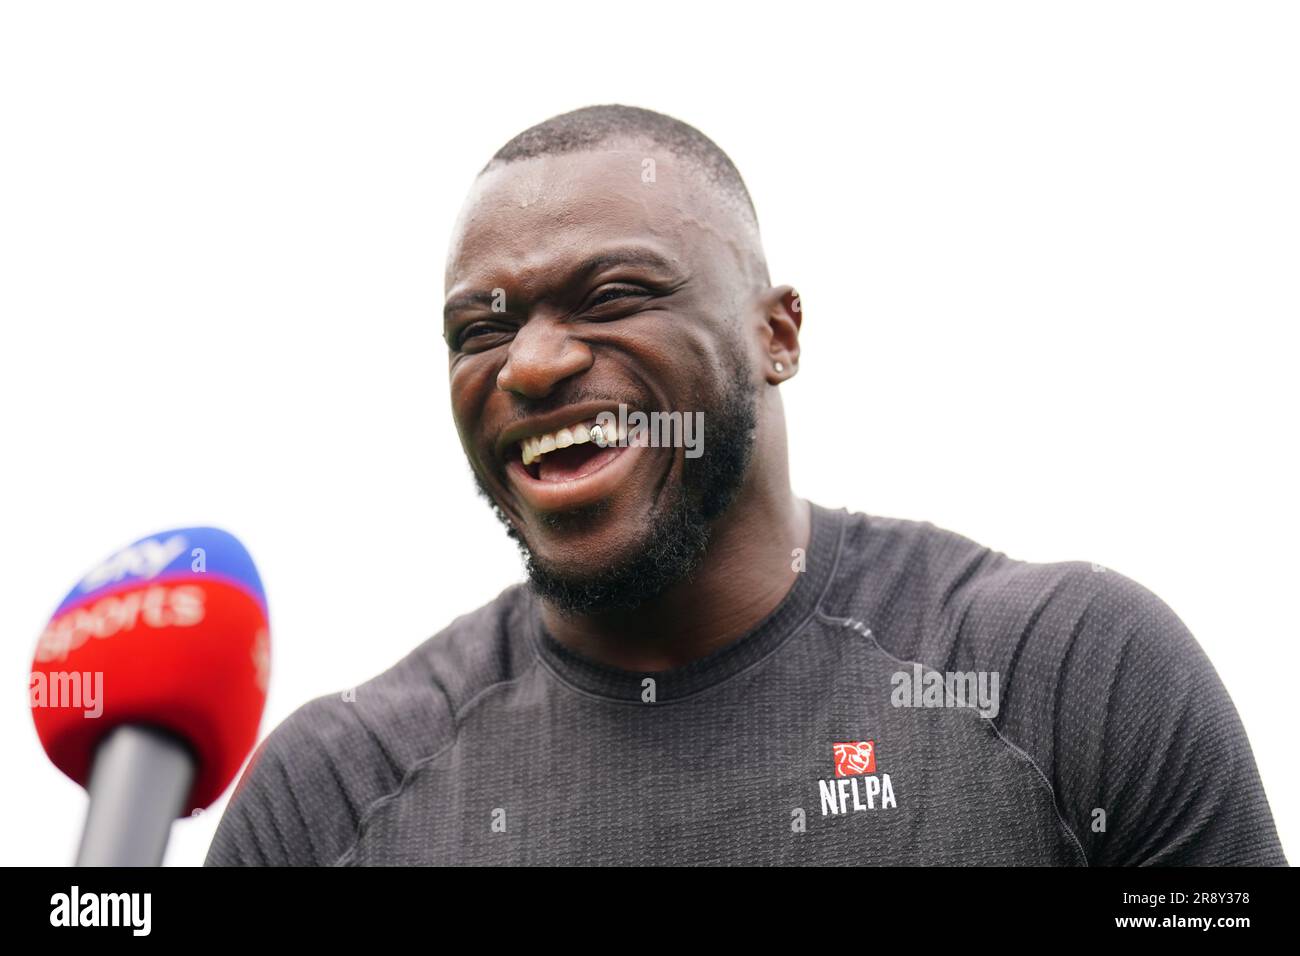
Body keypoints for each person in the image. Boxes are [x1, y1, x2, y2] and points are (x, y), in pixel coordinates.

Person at [206, 105, 1285, 866]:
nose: (529, 364)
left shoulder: (1066, 676)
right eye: (477, 329)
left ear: (776, 333)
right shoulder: (332, 793)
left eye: (614, 292)